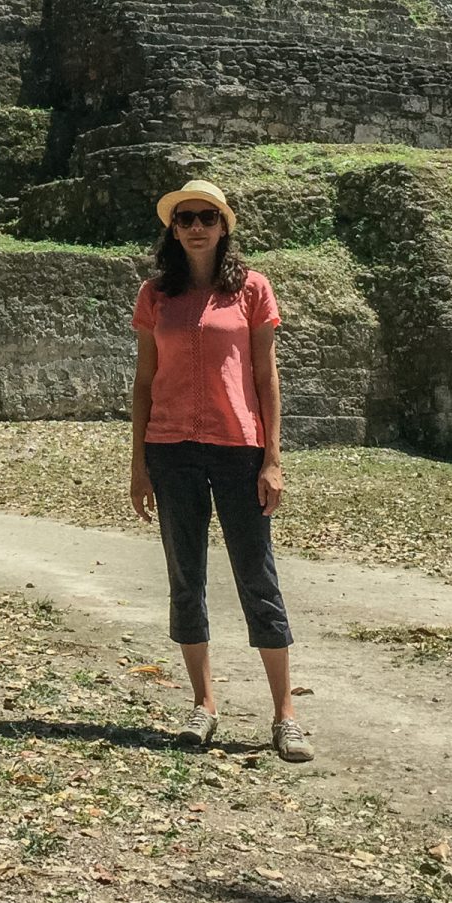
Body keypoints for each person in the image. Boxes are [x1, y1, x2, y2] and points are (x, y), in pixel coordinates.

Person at [129, 180, 314, 761]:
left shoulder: (253, 289)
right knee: (186, 577)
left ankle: (285, 714)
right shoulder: (155, 294)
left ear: (224, 225)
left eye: (207, 217)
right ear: (173, 228)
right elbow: (144, 382)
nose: (195, 226)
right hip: (171, 449)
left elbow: (266, 377)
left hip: (239, 448)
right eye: (184, 218)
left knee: (257, 576)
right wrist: (138, 464)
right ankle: (203, 705)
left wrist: (274, 458)